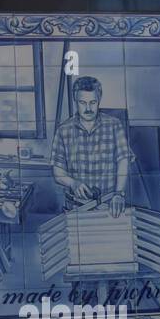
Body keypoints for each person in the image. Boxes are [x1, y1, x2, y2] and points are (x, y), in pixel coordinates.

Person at [52, 75, 134, 217]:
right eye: (83, 103)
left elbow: (123, 161)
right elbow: (58, 173)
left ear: (99, 100)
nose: (88, 108)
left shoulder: (114, 125)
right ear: (75, 100)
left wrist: (119, 193)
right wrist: (73, 183)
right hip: (75, 207)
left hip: (110, 206)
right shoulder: (63, 130)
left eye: (93, 102)